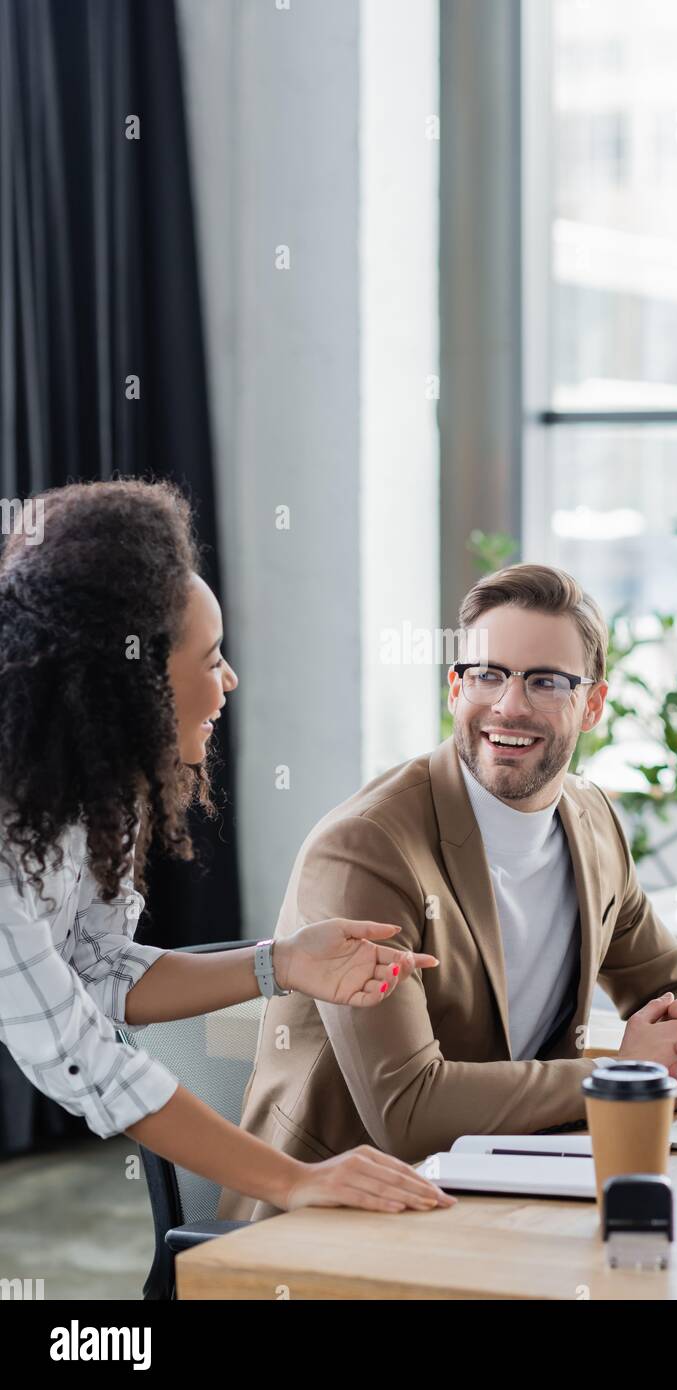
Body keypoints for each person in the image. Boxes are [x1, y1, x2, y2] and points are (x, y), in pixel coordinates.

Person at [219, 563, 677, 1222]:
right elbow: (407, 1110)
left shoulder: (591, 821)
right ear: (454, 688)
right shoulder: (365, 849)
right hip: (331, 1221)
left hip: (497, 1191)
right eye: (486, 674)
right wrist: (624, 1076)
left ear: (594, 704)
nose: (509, 706)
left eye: (546, 681)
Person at [0, 478, 455, 1217]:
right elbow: (83, 1058)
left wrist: (282, 964)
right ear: (133, 679)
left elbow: (100, 972)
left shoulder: (77, 795)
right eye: (212, 659)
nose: (230, 680)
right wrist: (293, 1179)